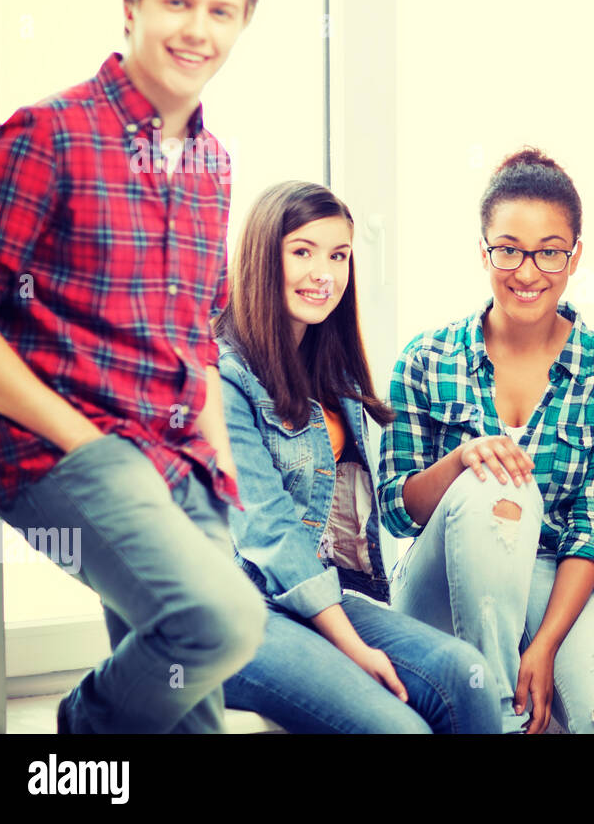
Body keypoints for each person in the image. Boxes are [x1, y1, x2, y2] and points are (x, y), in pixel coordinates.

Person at [0, 0, 267, 732]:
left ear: (241, 25)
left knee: (192, 711)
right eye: (178, 1)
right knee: (223, 622)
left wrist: (218, 459)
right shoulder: (49, 134)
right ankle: (81, 737)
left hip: (181, 457)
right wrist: (90, 443)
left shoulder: (213, 164)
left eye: (221, 11)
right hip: (66, 451)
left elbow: (197, 333)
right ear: (132, 7)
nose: (197, 28)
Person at [378, 148, 594, 734]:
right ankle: (496, 718)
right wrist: (460, 462)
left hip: (560, 580)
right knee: (490, 489)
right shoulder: (427, 359)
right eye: (508, 249)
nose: (527, 272)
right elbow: (395, 514)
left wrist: (547, 645)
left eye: (549, 251)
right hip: (443, 587)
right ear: (483, 250)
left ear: (574, 256)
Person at [214, 182, 500, 733]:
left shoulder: (330, 369)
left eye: (339, 255)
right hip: (230, 610)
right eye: (302, 251)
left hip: (317, 598)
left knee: (466, 675)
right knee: (400, 728)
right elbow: (269, 531)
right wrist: (351, 646)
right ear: (260, 257)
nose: (325, 273)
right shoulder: (222, 376)